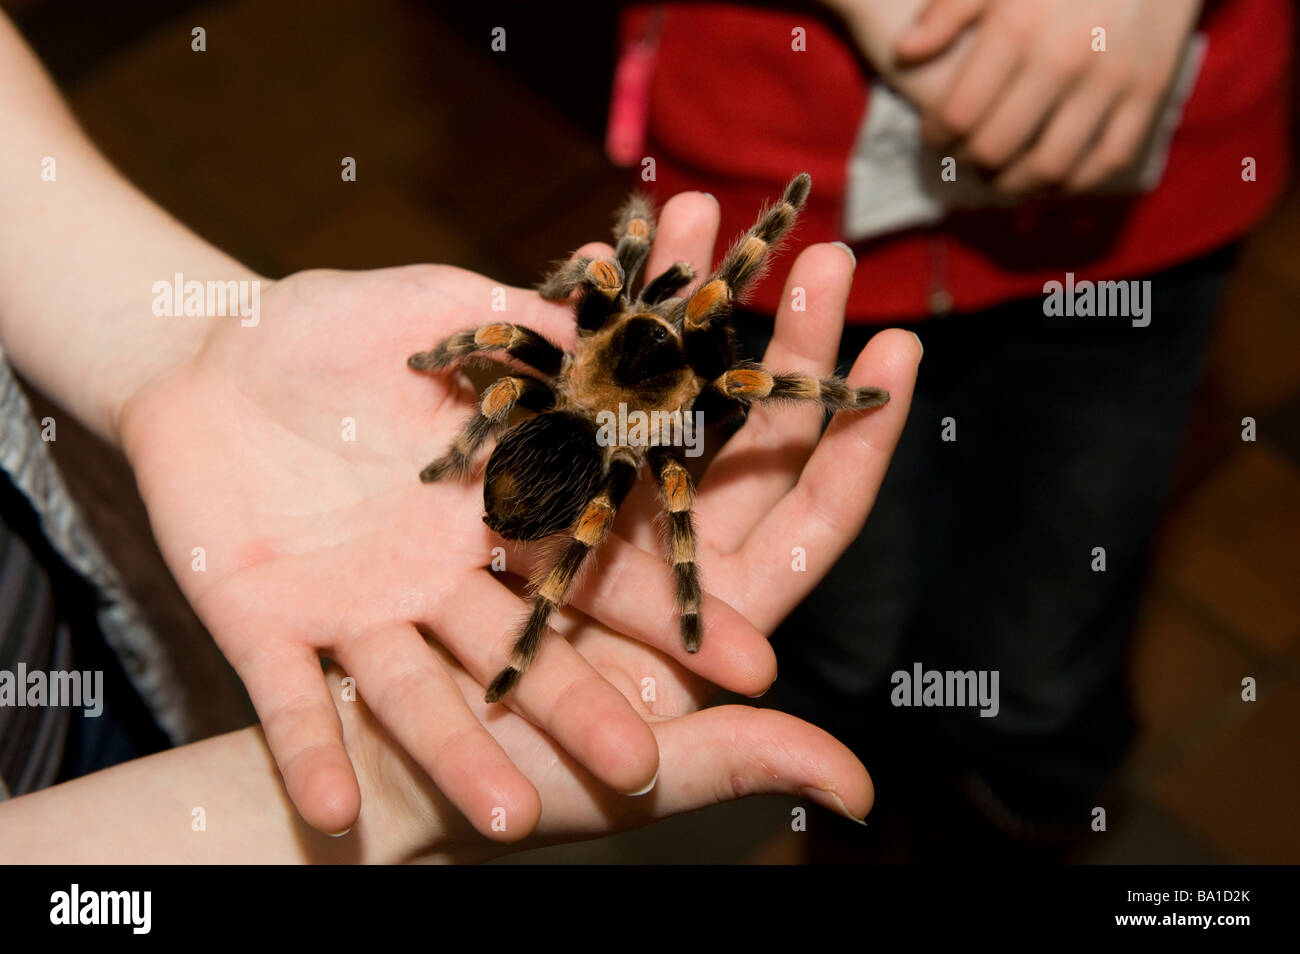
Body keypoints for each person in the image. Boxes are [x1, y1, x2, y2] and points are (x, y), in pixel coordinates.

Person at [0, 10, 921, 857]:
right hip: (579, 455)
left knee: (521, 383)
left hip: (557, 421)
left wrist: (525, 331)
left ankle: (515, 607)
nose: (673, 308)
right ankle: (524, 629)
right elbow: (680, 409)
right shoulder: (673, 410)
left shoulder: (580, 347)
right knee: (626, 495)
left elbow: (528, 325)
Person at [619, 0, 1292, 852]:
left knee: (1044, 648)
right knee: (839, 624)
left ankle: (1022, 809)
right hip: (782, 169)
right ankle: (849, 799)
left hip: (1145, 207)